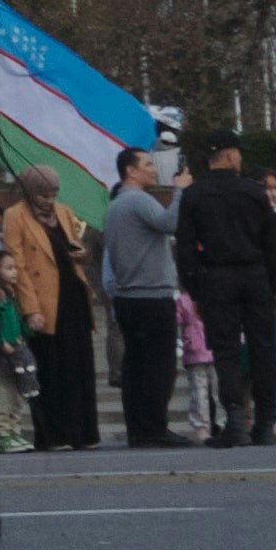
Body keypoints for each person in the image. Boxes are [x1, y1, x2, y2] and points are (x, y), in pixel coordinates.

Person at [173, 134, 276, 448]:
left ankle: (235, 419)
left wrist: (195, 289)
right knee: (262, 348)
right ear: (229, 156)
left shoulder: (195, 195)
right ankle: (264, 423)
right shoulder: (254, 192)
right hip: (255, 276)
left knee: (224, 351)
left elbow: (185, 247)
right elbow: (273, 244)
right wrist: (274, 285)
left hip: (216, 277)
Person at [97, 144, 185, 447]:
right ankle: (154, 427)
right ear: (130, 170)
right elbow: (170, 223)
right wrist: (181, 191)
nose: (153, 168)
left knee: (135, 365)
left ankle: (138, 428)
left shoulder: (117, 204)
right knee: (158, 365)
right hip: (150, 294)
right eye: (147, 164)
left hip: (127, 296)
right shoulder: (138, 200)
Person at [10, 176, 98, 452]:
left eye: (54, 194)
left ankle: (84, 433)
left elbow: (76, 247)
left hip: (72, 296)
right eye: (43, 195)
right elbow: (19, 266)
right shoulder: (15, 216)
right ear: (30, 192)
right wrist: (30, 309)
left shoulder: (64, 212)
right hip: (43, 299)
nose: (50, 201)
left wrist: (81, 254)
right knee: (51, 367)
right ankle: (54, 434)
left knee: (79, 364)